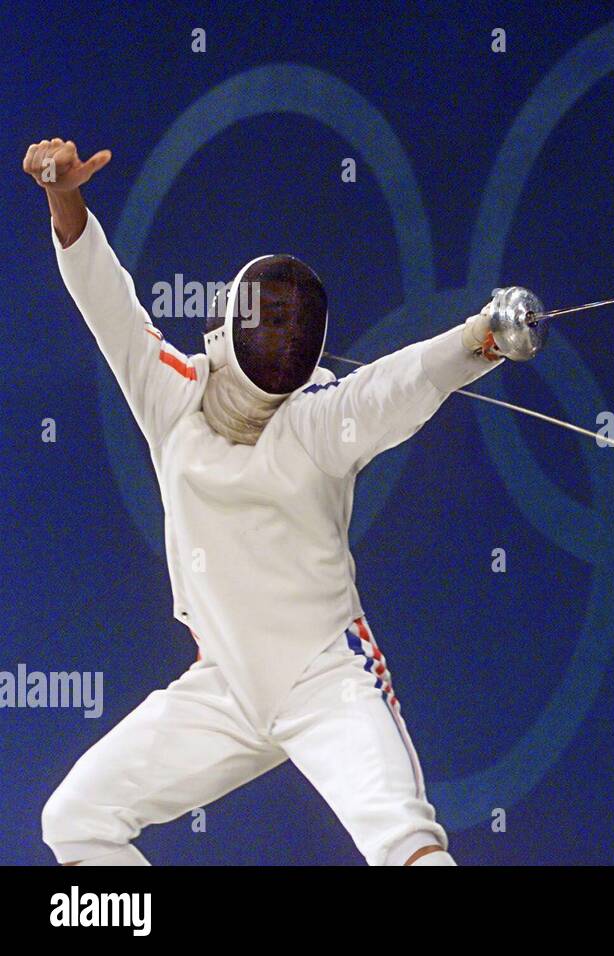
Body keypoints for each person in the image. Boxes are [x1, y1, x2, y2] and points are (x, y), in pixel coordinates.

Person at [26, 136, 539, 866]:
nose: (285, 336)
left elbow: (397, 385)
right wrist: (64, 197)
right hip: (225, 688)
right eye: (270, 318)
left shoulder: (317, 419)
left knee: (404, 843)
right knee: (76, 819)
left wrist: (480, 338)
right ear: (229, 322)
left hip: (327, 679)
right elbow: (108, 302)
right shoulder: (173, 396)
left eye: (298, 325)